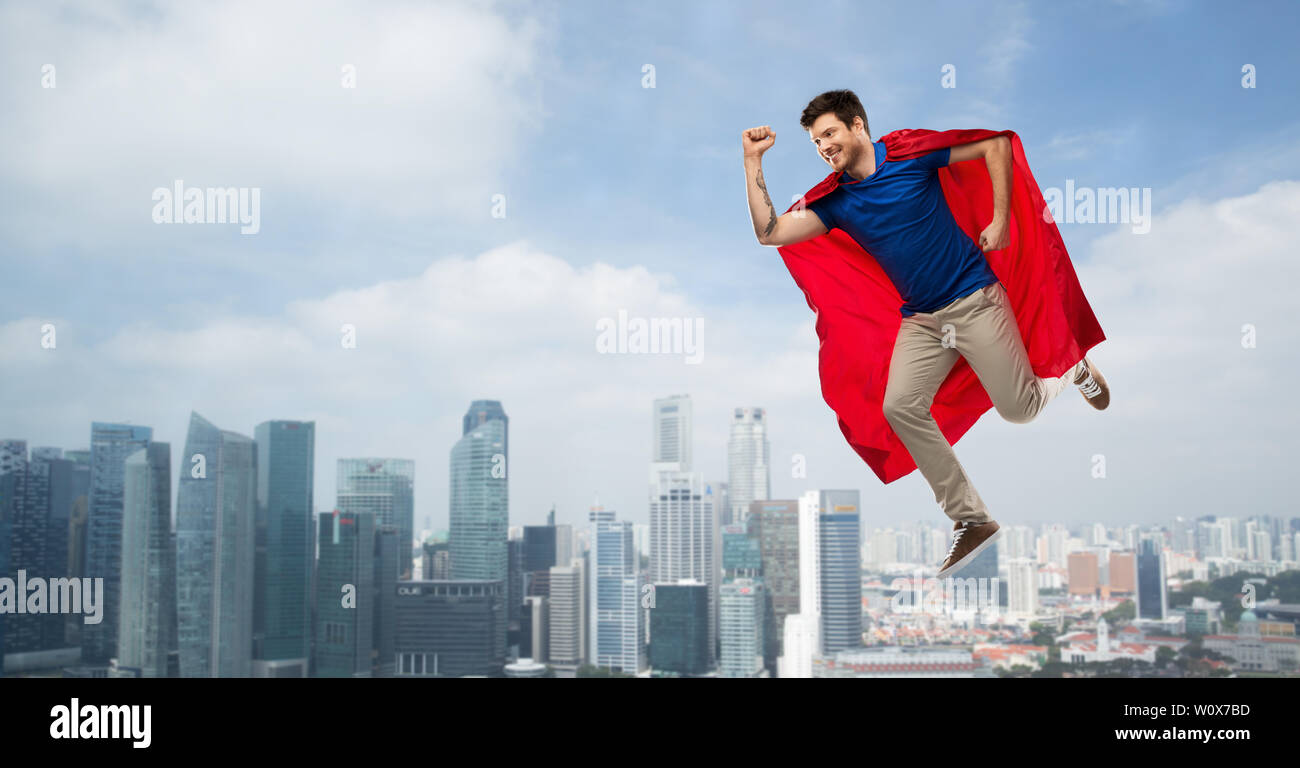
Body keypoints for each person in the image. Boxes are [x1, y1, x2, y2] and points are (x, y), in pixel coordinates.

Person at [742, 89, 1108, 578]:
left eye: (829, 133)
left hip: (975, 300)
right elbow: (770, 232)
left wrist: (1000, 219)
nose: (824, 147)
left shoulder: (910, 154)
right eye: (815, 142)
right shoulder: (835, 202)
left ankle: (1072, 368)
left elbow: (996, 145)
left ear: (857, 126)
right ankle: (971, 519)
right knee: (899, 406)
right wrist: (752, 162)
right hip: (923, 321)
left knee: (1019, 410)